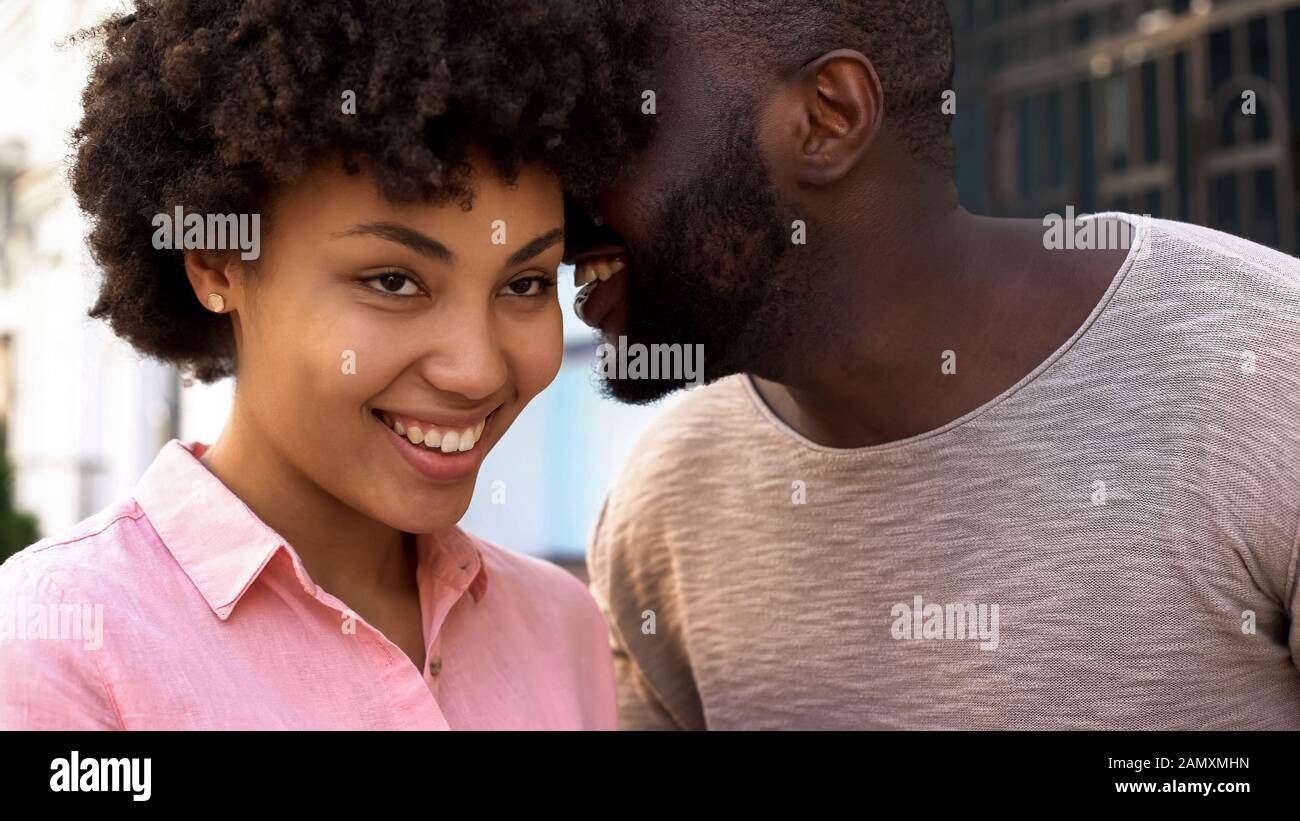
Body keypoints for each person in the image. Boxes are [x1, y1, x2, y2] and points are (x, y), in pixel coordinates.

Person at [571, 0, 1300, 729]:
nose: (558, 208)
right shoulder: (665, 503)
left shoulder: (1265, 377)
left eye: (615, 129)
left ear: (828, 116)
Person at [0, 0, 654, 729]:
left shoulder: (560, 624)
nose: (474, 370)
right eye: (392, 281)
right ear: (218, 263)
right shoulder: (64, 643)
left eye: (526, 283)